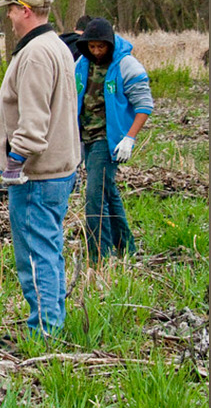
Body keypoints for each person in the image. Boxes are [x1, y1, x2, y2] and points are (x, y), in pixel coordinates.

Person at [0, 0, 81, 337]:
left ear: (25, 10)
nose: (9, 17)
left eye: (11, 10)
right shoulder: (54, 45)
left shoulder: (36, 54)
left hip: (37, 175)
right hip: (58, 168)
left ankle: (43, 332)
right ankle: (51, 322)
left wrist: (14, 163)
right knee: (48, 248)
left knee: (34, 255)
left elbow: (33, 122)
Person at [75, 18, 154, 261]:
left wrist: (129, 138)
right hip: (85, 135)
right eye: (92, 47)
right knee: (107, 191)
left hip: (108, 140)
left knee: (94, 197)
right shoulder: (81, 64)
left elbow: (144, 105)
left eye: (102, 47)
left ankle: (99, 256)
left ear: (110, 44)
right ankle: (126, 247)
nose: (97, 52)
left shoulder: (127, 65)